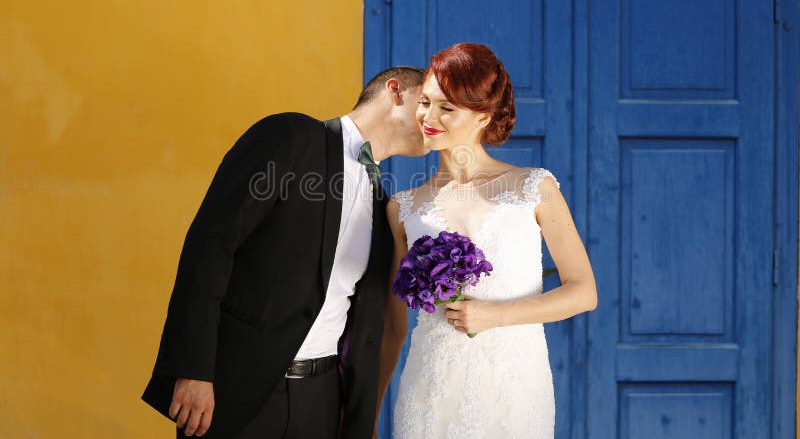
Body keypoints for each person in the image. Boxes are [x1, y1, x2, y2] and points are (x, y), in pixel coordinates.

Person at [141, 66, 429, 439]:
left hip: (322, 403)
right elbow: (210, 246)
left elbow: (369, 321)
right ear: (395, 92)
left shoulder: (383, 205)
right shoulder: (291, 136)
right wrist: (194, 369)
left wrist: (359, 415)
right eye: (426, 102)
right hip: (238, 392)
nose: (436, 117)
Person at [375, 43, 598, 438]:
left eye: (447, 108)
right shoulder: (404, 207)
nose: (428, 117)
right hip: (428, 391)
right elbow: (392, 329)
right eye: (425, 102)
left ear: (482, 115)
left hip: (513, 393)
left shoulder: (533, 187)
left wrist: (495, 316)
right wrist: (368, 415)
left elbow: (584, 292)